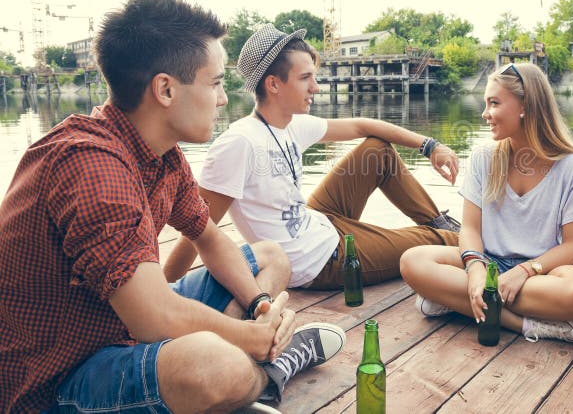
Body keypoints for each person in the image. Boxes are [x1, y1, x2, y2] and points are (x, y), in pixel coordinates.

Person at [0, 0, 345, 413]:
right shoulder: (90, 164)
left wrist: (260, 306)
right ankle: (272, 369)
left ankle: (246, 366)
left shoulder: (161, 153)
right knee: (210, 363)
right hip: (61, 377)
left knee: (271, 256)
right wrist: (250, 337)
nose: (223, 99)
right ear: (165, 89)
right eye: (215, 83)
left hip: (120, 329)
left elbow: (209, 238)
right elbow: (153, 318)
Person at [162, 23, 460, 290]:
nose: (315, 87)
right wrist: (165, 293)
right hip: (317, 262)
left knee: (377, 149)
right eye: (305, 78)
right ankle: (457, 240)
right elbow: (197, 231)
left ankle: (438, 222)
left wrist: (430, 146)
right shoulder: (240, 143)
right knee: (440, 244)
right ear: (274, 84)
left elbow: (362, 125)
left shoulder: (291, 124)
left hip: (318, 223)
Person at [400, 62, 573, 345]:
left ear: (525, 105)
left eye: (494, 103)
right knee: (413, 261)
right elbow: (469, 230)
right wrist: (476, 269)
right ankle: (525, 324)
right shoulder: (484, 157)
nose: (485, 114)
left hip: (540, 271)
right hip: (488, 261)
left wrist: (524, 271)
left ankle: (457, 302)